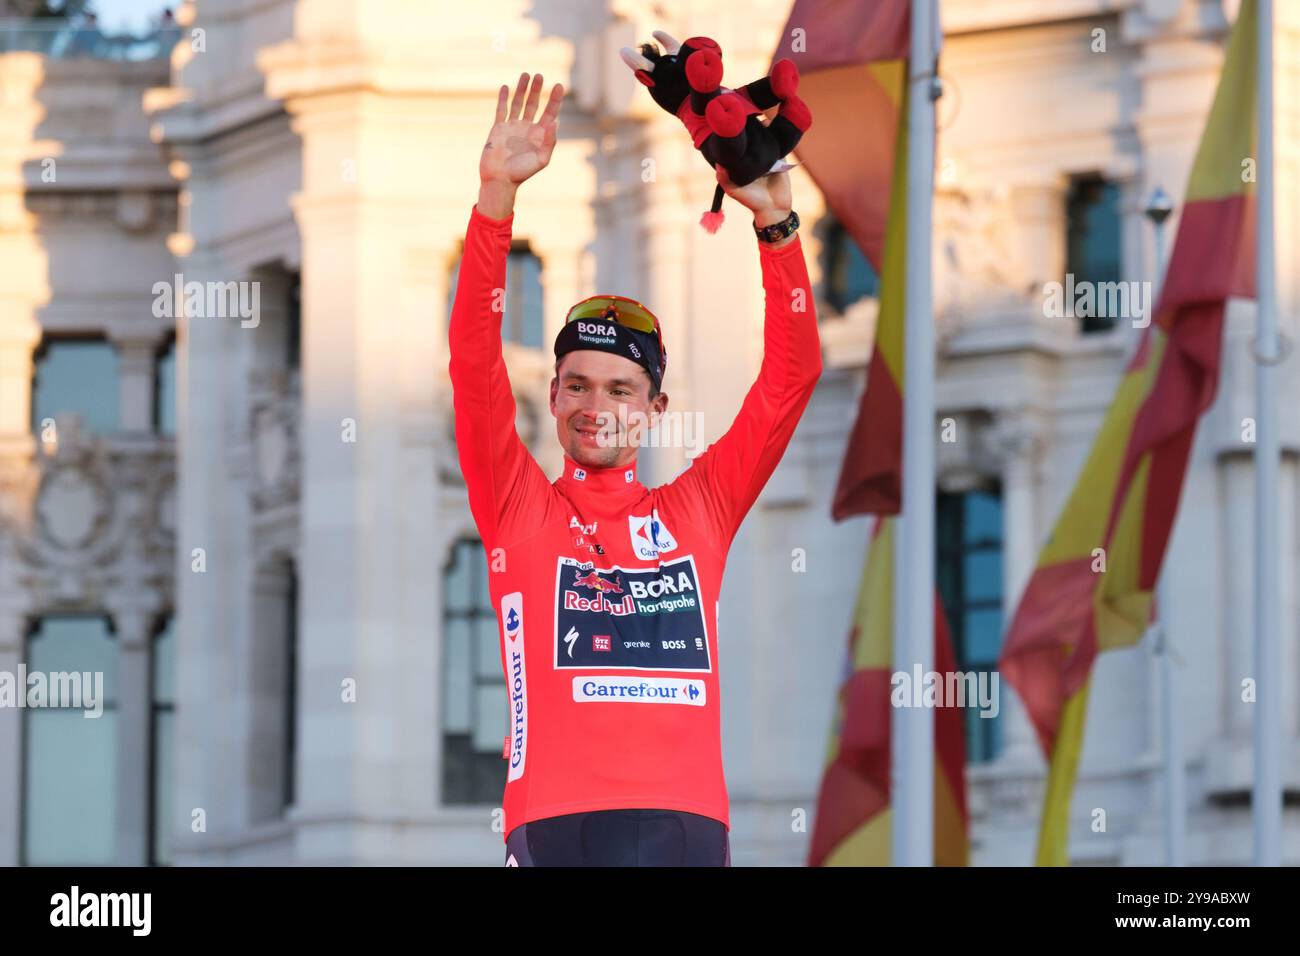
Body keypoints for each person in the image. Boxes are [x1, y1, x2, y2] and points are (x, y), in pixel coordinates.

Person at [449, 72, 821, 866]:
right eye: (577, 385)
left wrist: (779, 227)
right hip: (558, 826)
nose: (595, 405)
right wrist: (493, 206)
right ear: (550, 397)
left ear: (654, 407)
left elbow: (791, 381)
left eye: (620, 389)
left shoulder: (699, 510)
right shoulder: (518, 506)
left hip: (688, 828)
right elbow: (472, 363)